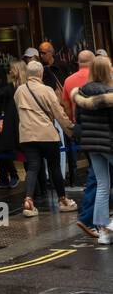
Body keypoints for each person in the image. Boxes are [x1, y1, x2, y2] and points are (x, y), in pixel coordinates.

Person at [15, 59, 76, 218]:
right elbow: (58, 113)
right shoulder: (47, 90)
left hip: (28, 136)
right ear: (41, 74)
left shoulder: (19, 91)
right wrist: (70, 130)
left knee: (33, 167)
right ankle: (62, 200)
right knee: (54, 167)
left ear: (28, 74)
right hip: (47, 135)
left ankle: (28, 201)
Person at [72, 55, 113, 246]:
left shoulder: (81, 92)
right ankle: (109, 226)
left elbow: (78, 120)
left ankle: (103, 231)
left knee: (103, 185)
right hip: (109, 143)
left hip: (91, 145)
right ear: (106, 70)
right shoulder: (110, 93)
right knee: (104, 185)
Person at [63, 49, 98, 239]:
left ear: (78, 62)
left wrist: (73, 123)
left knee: (97, 175)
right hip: (102, 134)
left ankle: (90, 218)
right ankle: (89, 218)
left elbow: (66, 105)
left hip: (83, 131)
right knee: (98, 177)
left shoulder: (69, 82)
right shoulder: (101, 79)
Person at [0, 60, 25, 188]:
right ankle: (15, 176)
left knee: (25, 153)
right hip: (17, 122)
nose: (10, 71)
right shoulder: (17, 86)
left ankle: (35, 186)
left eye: (12, 69)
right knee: (6, 148)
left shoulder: (15, 87)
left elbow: (0, 93)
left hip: (17, 122)